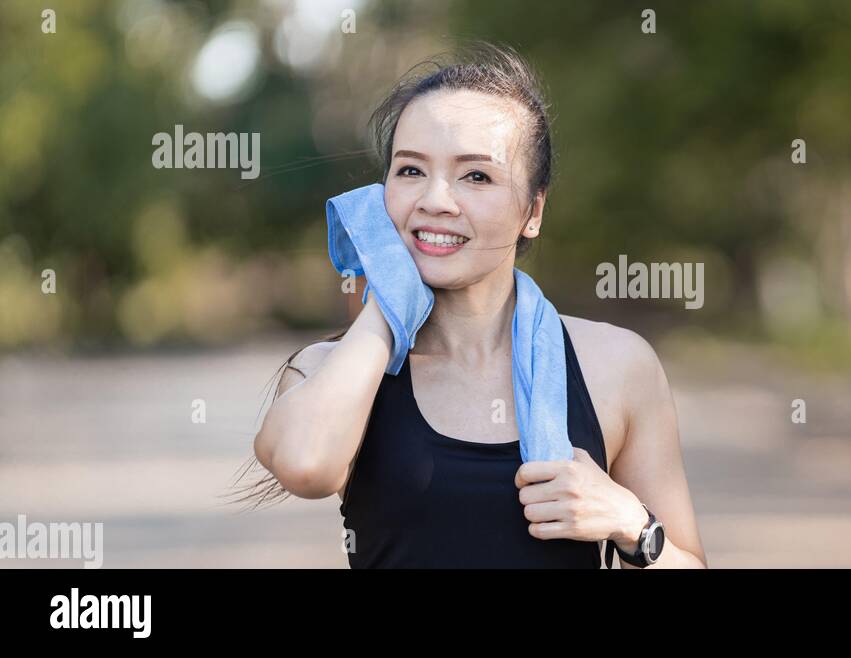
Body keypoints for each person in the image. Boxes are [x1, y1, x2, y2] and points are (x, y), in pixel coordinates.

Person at [245, 43, 706, 569]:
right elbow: (306, 465)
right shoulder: (335, 371)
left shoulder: (617, 367)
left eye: (477, 176)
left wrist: (632, 524)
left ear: (532, 211)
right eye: (411, 171)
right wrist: (388, 298)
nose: (436, 200)